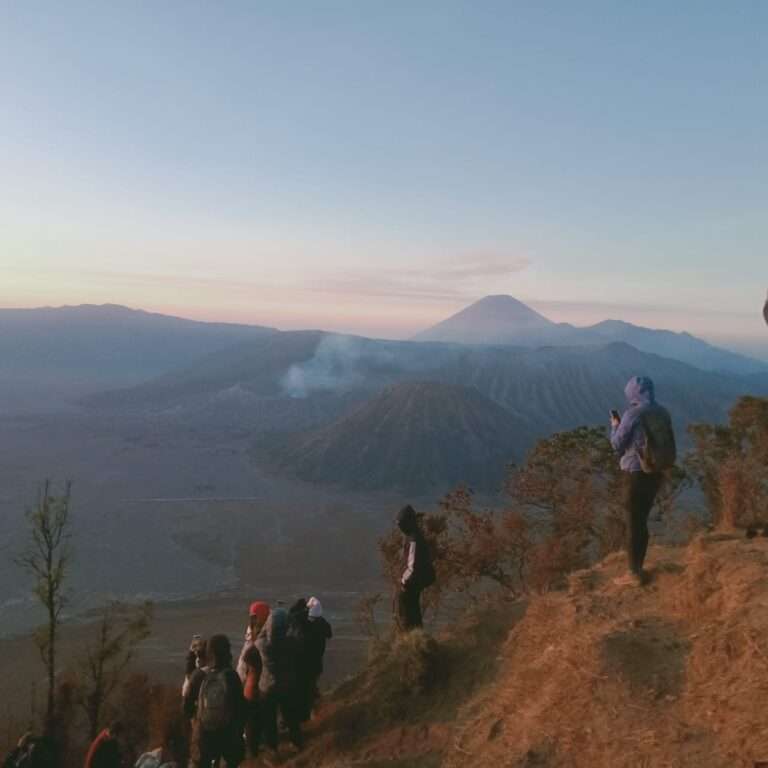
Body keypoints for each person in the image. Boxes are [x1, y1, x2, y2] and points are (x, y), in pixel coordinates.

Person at [611, 376, 676, 586]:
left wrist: (615, 426)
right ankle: (637, 567)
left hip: (635, 472)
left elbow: (617, 444)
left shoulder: (633, 414)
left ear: (632, 393)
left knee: (632, 521)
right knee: (641, 520)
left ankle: (633, 574)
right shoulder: (662, 411)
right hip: (655, 472)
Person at [183, 634, 245, 768]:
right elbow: (241, 709)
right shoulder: (231, 677)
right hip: (228, 736)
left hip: (203, 735)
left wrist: (196, 718)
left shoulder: (198, 676)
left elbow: (186, 707)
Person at [255, 608, 302, 756]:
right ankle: (296, 741)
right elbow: (296, 633)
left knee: (269, 720)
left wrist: (268, 622)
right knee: (291, 715)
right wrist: (291, 621)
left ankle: (272, 748)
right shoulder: (291, 643)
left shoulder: (262, 645)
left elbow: (259, 636)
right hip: (288, 684)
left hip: (267, 687)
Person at [236, 601, 269, 759]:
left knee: (252, 720)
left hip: (253, 685)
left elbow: (244, 665)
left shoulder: (255, 640)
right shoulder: (270, 634)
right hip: (261, 684)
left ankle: (253, 752)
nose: (253, 619)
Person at [396, 505, 435, 631]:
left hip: (413, 581)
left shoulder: (414, 539)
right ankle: (417, 636)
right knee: (414, 610)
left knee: (406, 607)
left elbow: (412, 566)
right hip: (419, 580)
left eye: (400, 524)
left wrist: (403, 581)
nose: (400, 527)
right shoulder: (416, 536)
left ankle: (411, 638)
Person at [304, 597, 333, 716]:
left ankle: (310, 709)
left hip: (306, 658)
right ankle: (314, 706)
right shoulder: (323, 623)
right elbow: (329, 634)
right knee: (313, 681)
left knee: (307, 683)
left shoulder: (306, 623)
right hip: (318, 657)